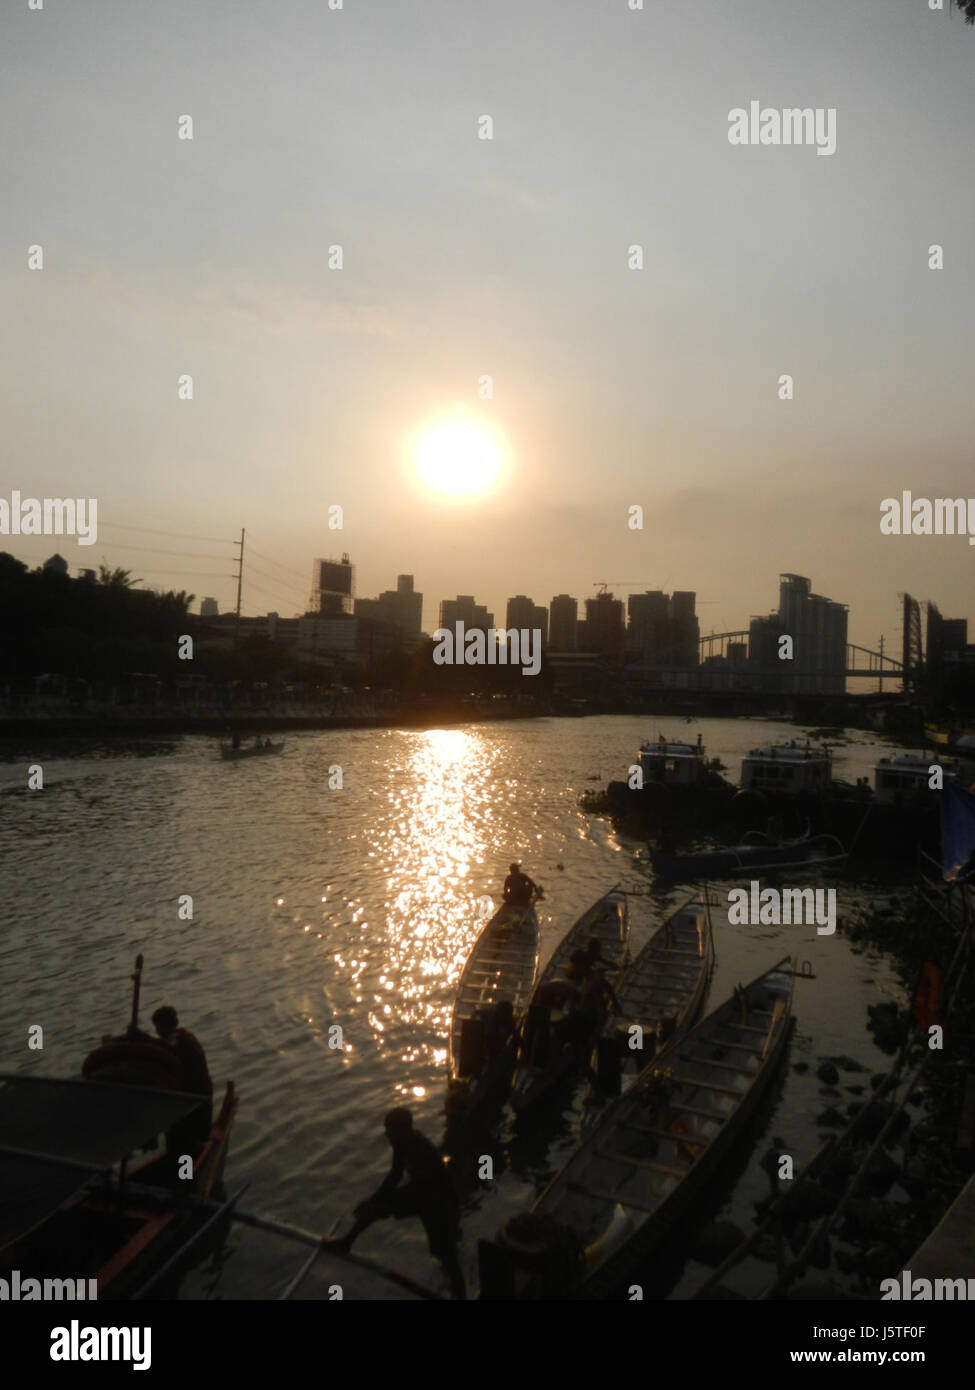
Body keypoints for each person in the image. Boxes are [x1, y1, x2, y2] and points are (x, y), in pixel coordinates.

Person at [323, 1108, 465, 1299]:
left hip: (439, 1202)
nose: (386, 1134)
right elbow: (395, 1175)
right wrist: (374, 1200)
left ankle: (459, 1294)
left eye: (389, 1130)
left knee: (446, 1255)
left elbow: (421, 1188)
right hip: (421, 1195)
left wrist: (383, 1203)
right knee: (374, 1208)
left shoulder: (420, 1149)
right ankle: (347, 1242)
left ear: (403, 1130)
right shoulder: (400, 1143)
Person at [152, 1006, 213, 1170]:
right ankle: (181, 1176)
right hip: (188, 1105)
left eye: (158, 1028)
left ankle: (183, 1181)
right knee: (178, 1143)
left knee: (183, 1146)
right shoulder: (180, 1040)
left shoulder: (181, 1044)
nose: (157, 1032)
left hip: (196, 1107)